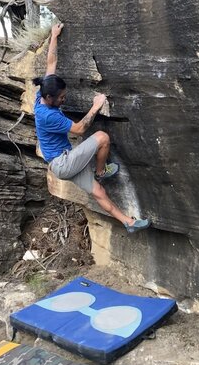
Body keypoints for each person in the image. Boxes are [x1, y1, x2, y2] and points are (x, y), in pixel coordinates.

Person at [33, 22, 150, 233]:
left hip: (62, 164)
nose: (63, 99)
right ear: (49, 98)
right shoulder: (47, 116)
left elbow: (51, 63)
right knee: (102, 137)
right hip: (64, 162)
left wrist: (54, 35)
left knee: (99, 192)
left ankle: (128, 223)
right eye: (61, 98)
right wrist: (96, 106)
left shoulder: (41, 94)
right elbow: (79, 129)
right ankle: (101, 171)